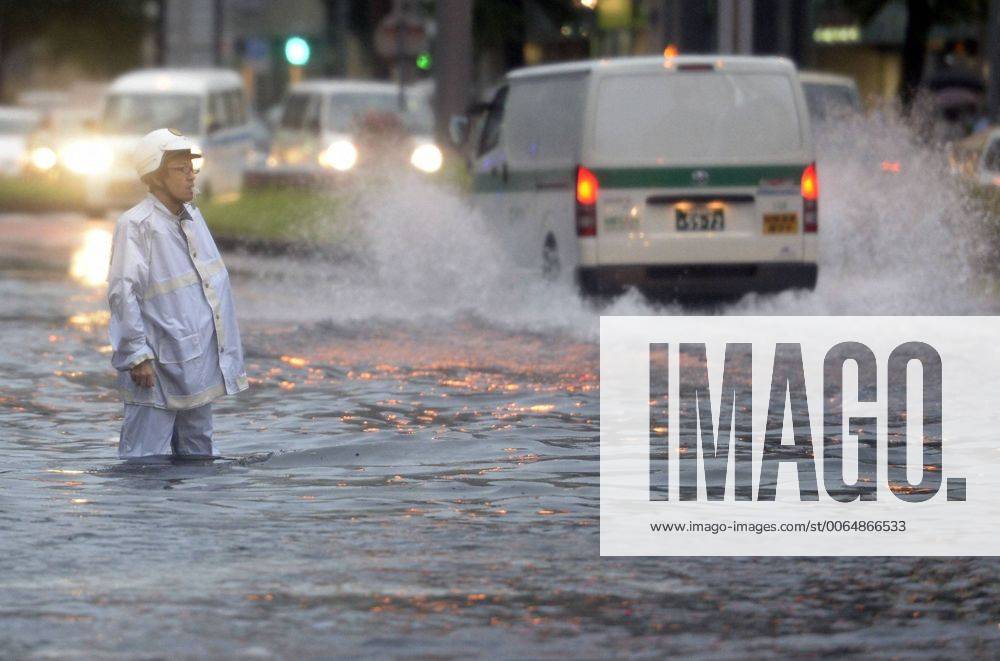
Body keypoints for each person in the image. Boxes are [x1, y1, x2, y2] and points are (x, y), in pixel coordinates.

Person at [106, 128, 248, 459]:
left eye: (192, 169)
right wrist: (137, 355)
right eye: (180, 170)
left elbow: (211, 289)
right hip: (154, 370)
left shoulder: (192, 218)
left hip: (196, 367)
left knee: (199, 459)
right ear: (155, 176)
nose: (190, 177)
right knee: (144, 463)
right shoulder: (137, 225)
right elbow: (123, 294)